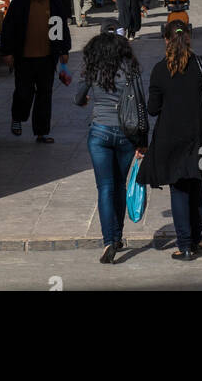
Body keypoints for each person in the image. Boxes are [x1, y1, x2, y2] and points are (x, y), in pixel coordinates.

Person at [137, 22, 202, 260]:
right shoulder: (201, 65)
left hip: (171, 137)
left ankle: (185, 245)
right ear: (189, 38)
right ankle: (197, 238)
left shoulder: (159, 70)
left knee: (178, 187)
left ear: (166, 40)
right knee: (196, 183)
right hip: (201, 136)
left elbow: (153, 109)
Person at [74, 30, 147, 263]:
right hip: (126, 134)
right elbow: (141, 103)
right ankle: (117, 237)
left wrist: (88, 98)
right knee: (119, 186)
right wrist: (143, 142)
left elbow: (78, 98)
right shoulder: (130, 69)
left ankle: (108, 241)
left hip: (100, 133)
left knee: (105, 187)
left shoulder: (93, 67)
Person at [0, 0, 70, 144]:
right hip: (24, 57)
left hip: (46, 58)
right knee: (23, 92)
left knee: (44, 95)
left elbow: (60, 27)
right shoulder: (21, 2)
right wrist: (7, 51)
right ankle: (18, 117)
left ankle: (42, 132)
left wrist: (63, 50)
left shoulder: (54, 3)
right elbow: (9, 27)